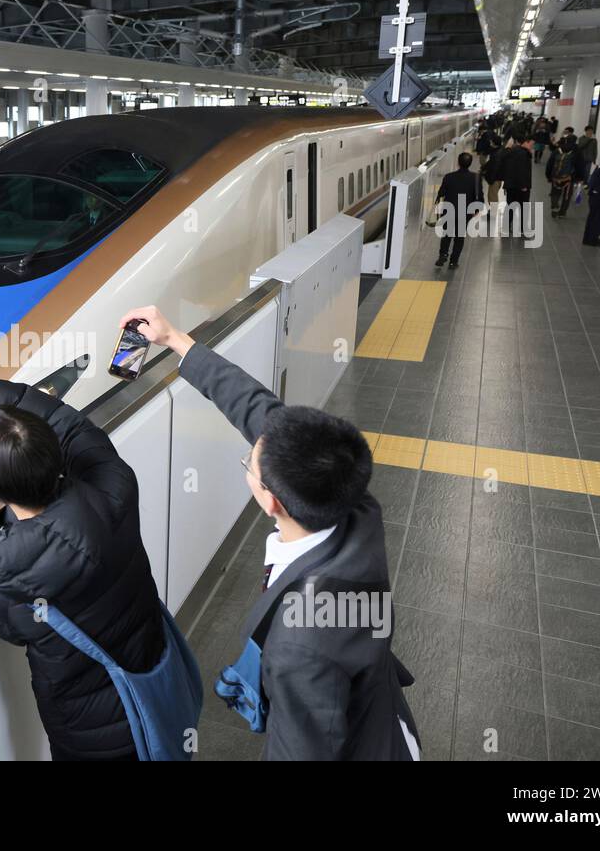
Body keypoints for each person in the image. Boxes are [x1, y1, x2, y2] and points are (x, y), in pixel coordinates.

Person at [117, 306, 420, 761]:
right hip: (383, 715)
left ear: (271, 500)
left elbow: (302, 750)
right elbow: (257, 408)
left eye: (250, 466)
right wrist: (177, 340)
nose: (255, 448)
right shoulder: (352, 501)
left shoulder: (303, 646)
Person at [0, 379, 166, 761]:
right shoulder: (114, 482)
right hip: (151, 673)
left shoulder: (1, 580)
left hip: (85, 729)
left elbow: (10, 628)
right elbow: (75, 427)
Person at [433, 151, 483, 269]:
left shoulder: (449, 176)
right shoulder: (475, 178)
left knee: (447, 235)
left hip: (449, 210)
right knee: (459, 237)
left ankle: (443, 255)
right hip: (465, 212)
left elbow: (441, 193)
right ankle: (453, 262)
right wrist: (477, 209)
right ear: (470, 163)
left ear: (458, 163)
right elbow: (479, 195)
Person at [500, 136, 535, 236]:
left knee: (510, 206)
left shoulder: (512, 151)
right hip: (520, 186)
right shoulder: (523, 154)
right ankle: (524, 229)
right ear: (526, 143)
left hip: (510, 185)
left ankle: (505, 228)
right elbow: (521, 171)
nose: (532, 147)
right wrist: (523, 185)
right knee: (524, 207)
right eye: (531, 145)